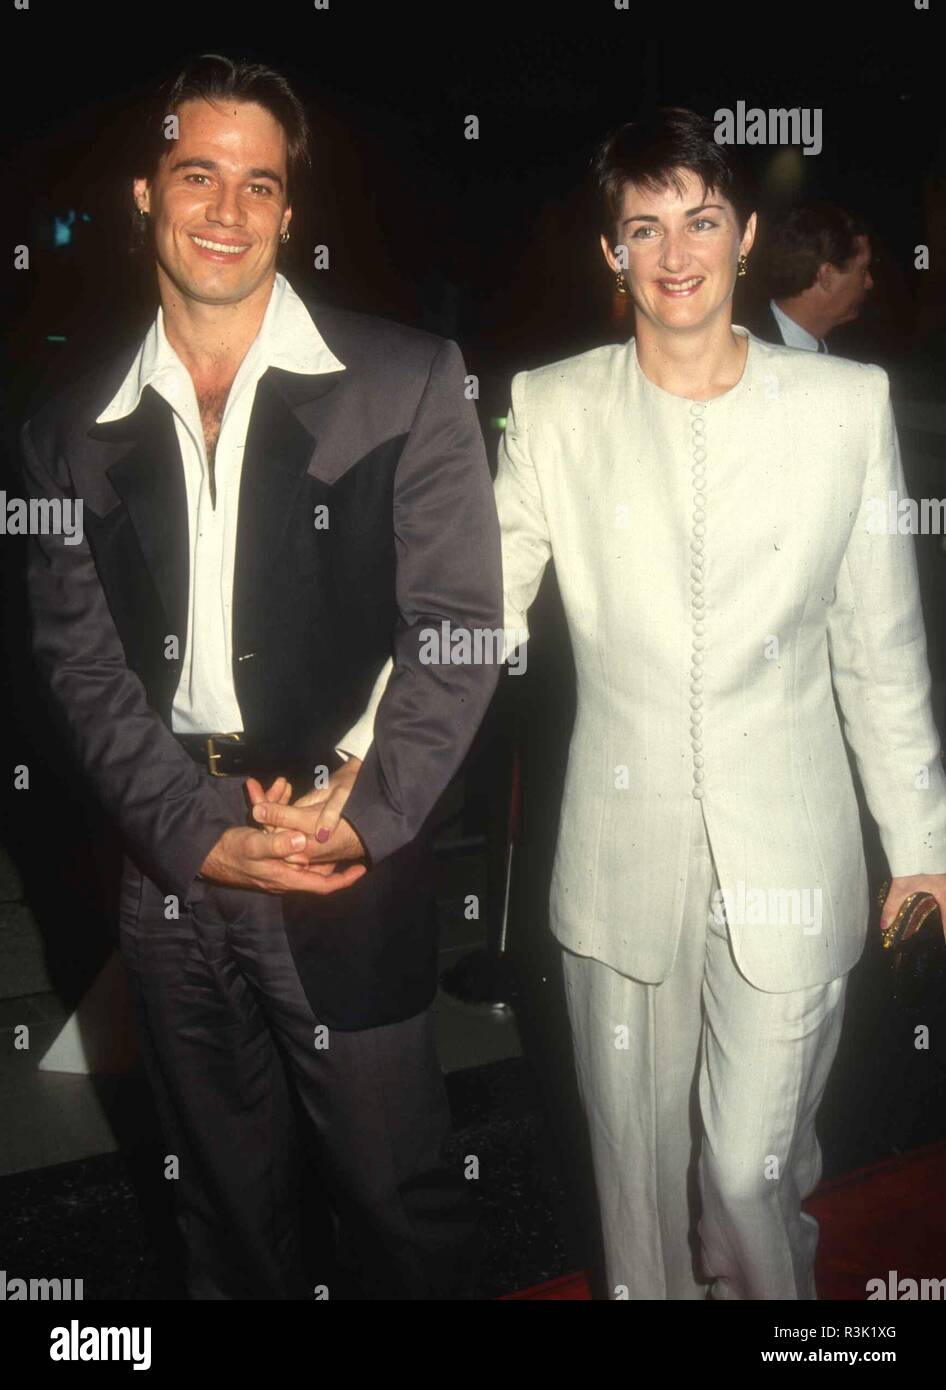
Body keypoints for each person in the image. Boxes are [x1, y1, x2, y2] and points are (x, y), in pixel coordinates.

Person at [20, 54, 502, 1299]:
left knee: (399, 1210)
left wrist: (371, 811)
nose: (226, 210)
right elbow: (75, 660)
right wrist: (190, 834)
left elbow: (455, 628)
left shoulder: (405, 380)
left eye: (259, 184)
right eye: (197, 174)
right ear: (145, 193)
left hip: (345, 855)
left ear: (290, 212)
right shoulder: (64, 427)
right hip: (169, 868)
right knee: (221, 1213)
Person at [740, 202, 873, 352]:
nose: (869, 282)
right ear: (826, 276)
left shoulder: (859, 348)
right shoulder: (743, 349)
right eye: (862, 270)